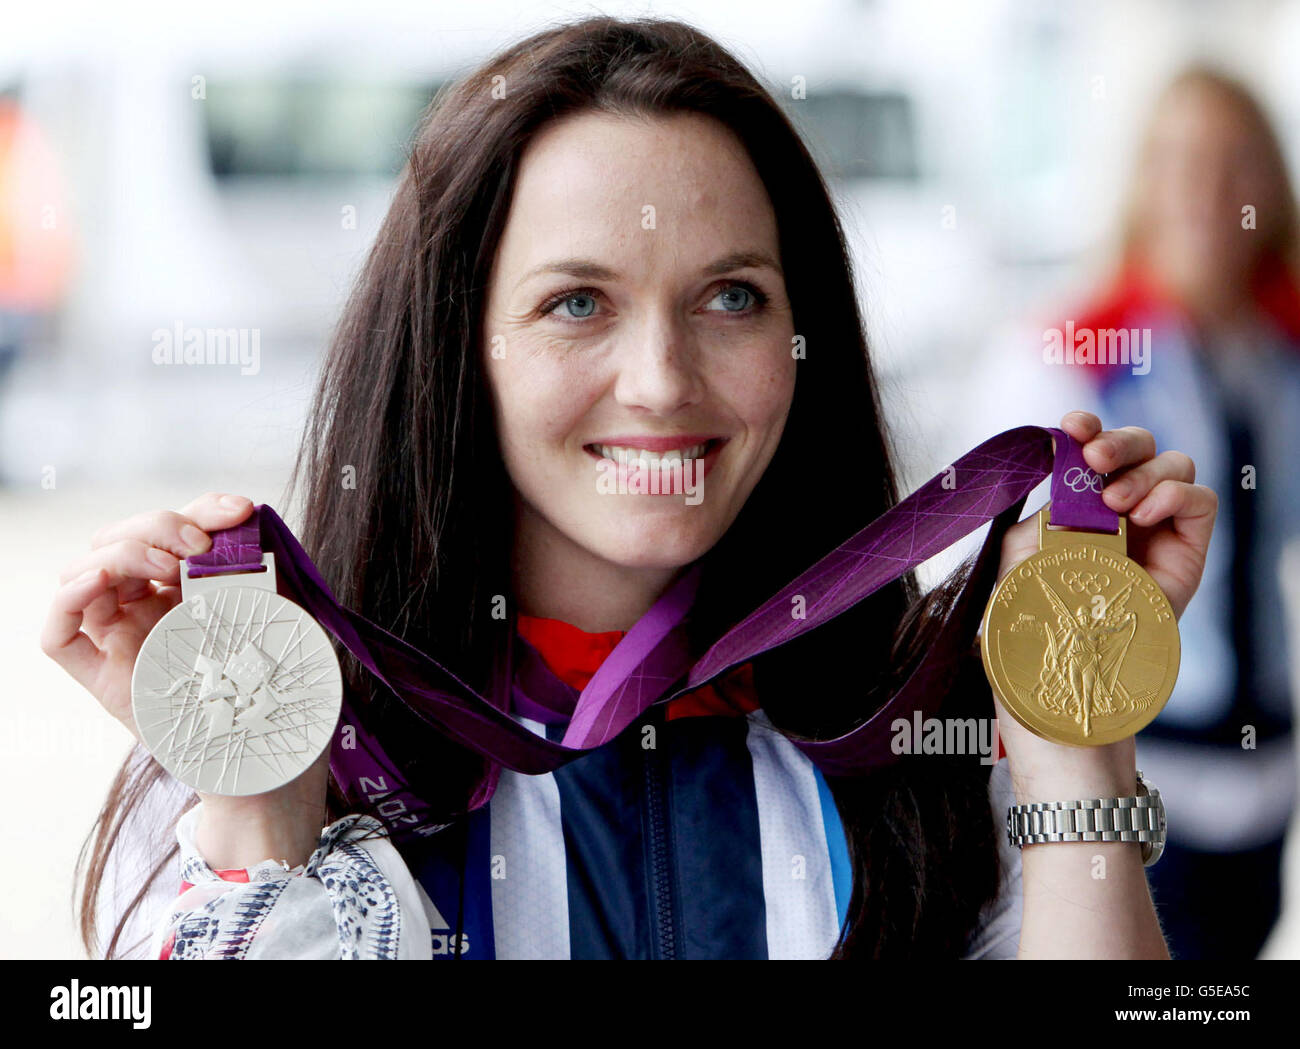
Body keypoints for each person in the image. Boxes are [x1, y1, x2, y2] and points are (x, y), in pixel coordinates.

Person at [43, 16, 1216, 960]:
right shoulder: (287, 737)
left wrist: (1071, 720)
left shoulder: (918, 742)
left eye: (732, 296)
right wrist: (260, 788)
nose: (661, 381)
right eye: (577, 303)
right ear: (458, 344)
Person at [1047, 67, 1300, 959]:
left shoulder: (1282, 358)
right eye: (1181, 163)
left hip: (1271, 774)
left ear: (1271, 187)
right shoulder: (1083, 358)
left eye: (1237, 163)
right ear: (1144, 185)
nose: (1208, 192)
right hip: (1143, 779)